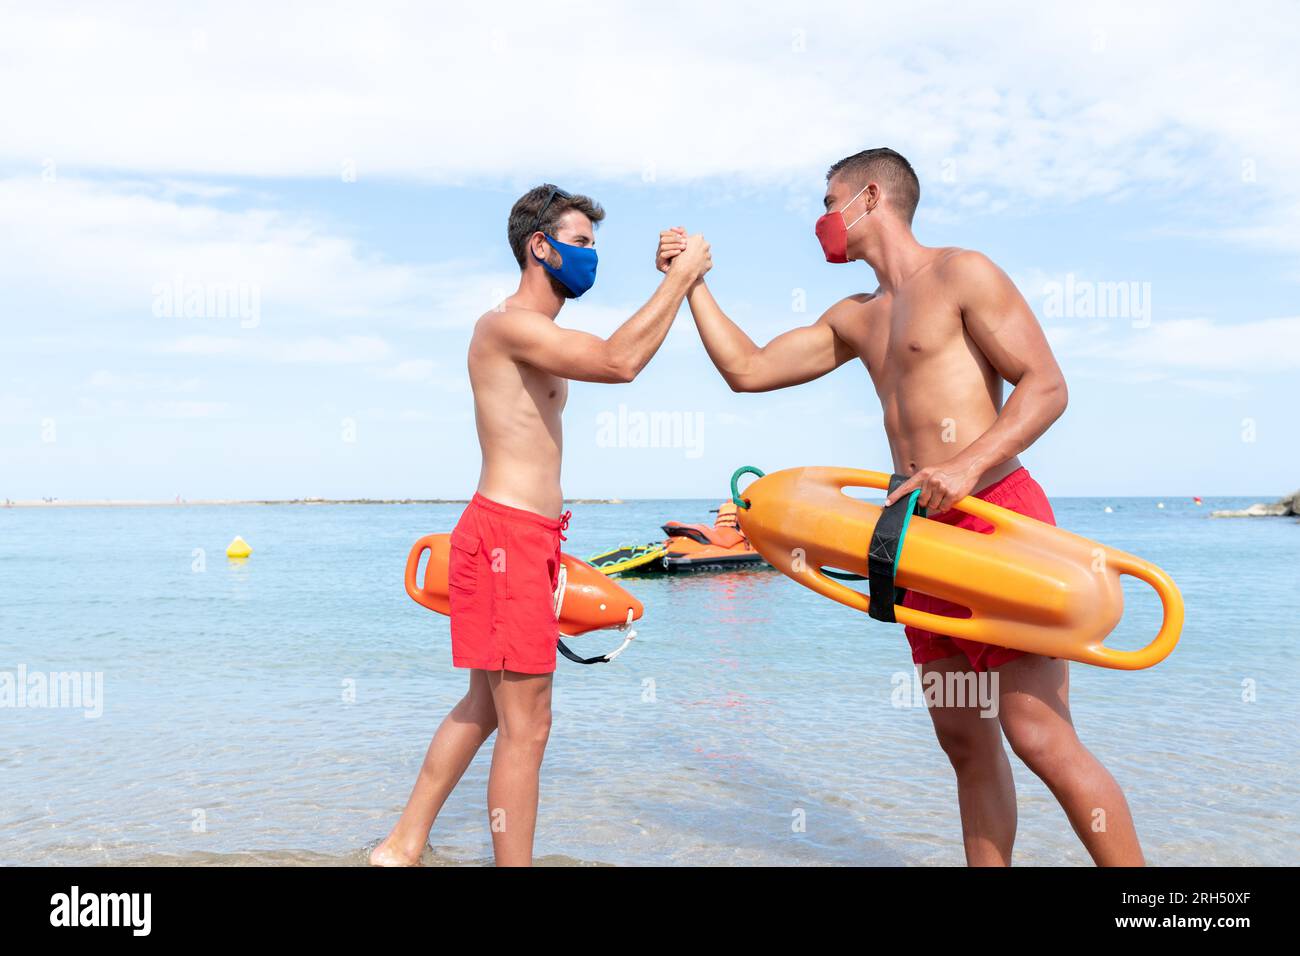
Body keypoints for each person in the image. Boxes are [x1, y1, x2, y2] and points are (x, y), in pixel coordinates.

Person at [658, 148, 1143, 866]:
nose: (821, 220)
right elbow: (749, 369)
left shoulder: (961, 273)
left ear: (870, 198)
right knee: (964, 744)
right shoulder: (857, 317)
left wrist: (966, 464)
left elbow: (1045, 385)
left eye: (828, 203)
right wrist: (690, 283)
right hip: (914, 541)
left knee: (1038, 734)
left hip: (997, 520)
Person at [372, 185, 711, 866]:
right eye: (582, 243)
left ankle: (401, 846)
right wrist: (682, 277)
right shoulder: (505, 326)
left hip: (520, 536)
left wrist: (675, 283)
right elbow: (620, 362)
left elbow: (618, 351)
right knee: (528, 728)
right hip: (506, 538)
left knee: (486, 708)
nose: (592, 257)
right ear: (540, 245)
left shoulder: (537, 334)